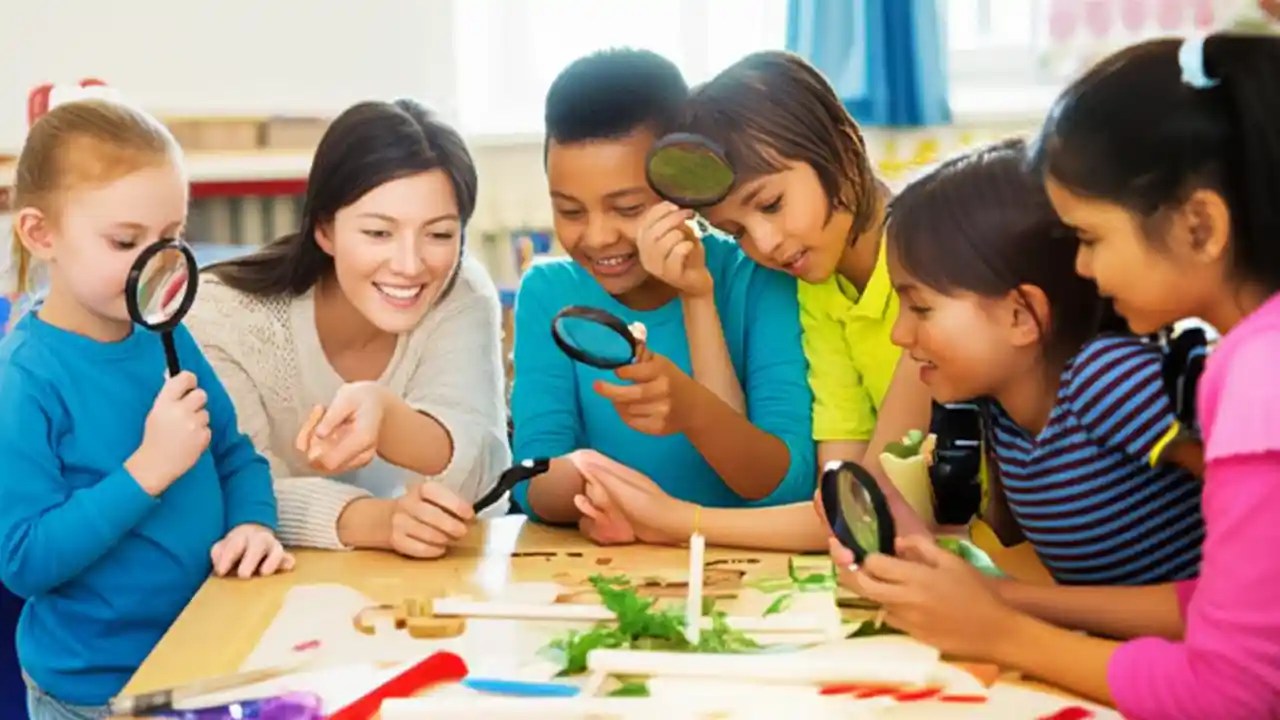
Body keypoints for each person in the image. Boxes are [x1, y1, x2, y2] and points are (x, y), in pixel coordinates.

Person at [840, 35, 1280, 718]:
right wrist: (993, 598)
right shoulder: (1247, 364)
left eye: (1091, 238)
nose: (1080, 269)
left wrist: (1003, 631)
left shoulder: (1247, 375)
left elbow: (1233, 689)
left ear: (1200, 225)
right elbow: (1233, 601)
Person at [579, 140, 1204, 578]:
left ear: (1020, 315)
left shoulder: (1110, 381)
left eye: (921, 309)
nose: (902, 335)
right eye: (736, 231)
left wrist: (1008, 611)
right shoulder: (1001, 418)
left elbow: (1235, 597)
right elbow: (873, 502)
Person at [0, 98, 288, 718]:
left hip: (208, 658)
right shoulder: (24, 379)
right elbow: (23, 560)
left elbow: (235, 456)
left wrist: (253, 524)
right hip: (93, 694)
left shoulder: (168, 334)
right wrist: (147, 470)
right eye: (126, 241)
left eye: (171, 238)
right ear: (40, 234)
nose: (157, 263)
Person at [509, 49, 816, 534]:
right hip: (606, 567)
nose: (597, 236)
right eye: (570, 211)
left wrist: (696, 301)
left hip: (750, 572)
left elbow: (785, 484)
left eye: (628, 208)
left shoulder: (759, 275)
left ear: (684, 185)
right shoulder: (548, 292)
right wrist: (599, 490)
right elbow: (531, 482)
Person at [188, 99, 509, 557]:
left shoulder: (461, 292)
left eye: (439, 234)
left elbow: (482, 476)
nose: (409, 264)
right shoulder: (220, 316)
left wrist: (387, 419)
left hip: (422, 584)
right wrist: (377, 521)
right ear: (324, 229)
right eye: (379, 233)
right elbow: (235, 489)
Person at [671, 50, 936, 537]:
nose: (764, 244)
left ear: (840, 146)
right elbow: (840, 499)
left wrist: (673, 521)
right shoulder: (820, 288)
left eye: (771, 204)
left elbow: (869, 502)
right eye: (736, 233)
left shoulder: (933, 260)